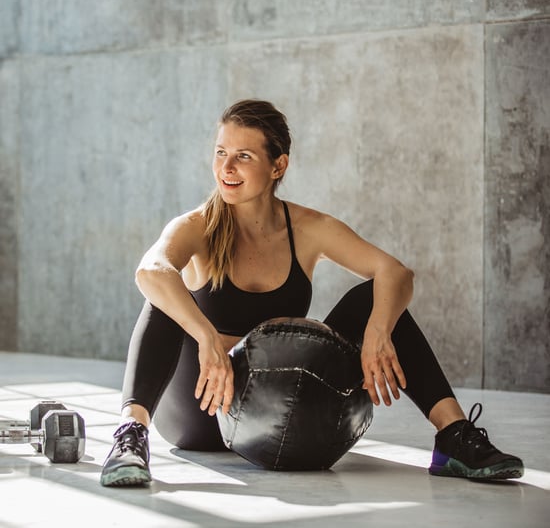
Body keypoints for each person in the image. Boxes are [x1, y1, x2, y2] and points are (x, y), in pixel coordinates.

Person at [100, 99, 524, 487]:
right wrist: (206, 336)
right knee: (164, 297)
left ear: (277, 165)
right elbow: (150, 270)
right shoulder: (198, 225)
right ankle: (130, 434)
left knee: (373, 299)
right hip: (204, 412)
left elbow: (395, 272)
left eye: (243, 156)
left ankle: (453, 436)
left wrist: (377, 331)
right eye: (221, 152)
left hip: (281, 413)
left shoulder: (307, 229)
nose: (226, 167)